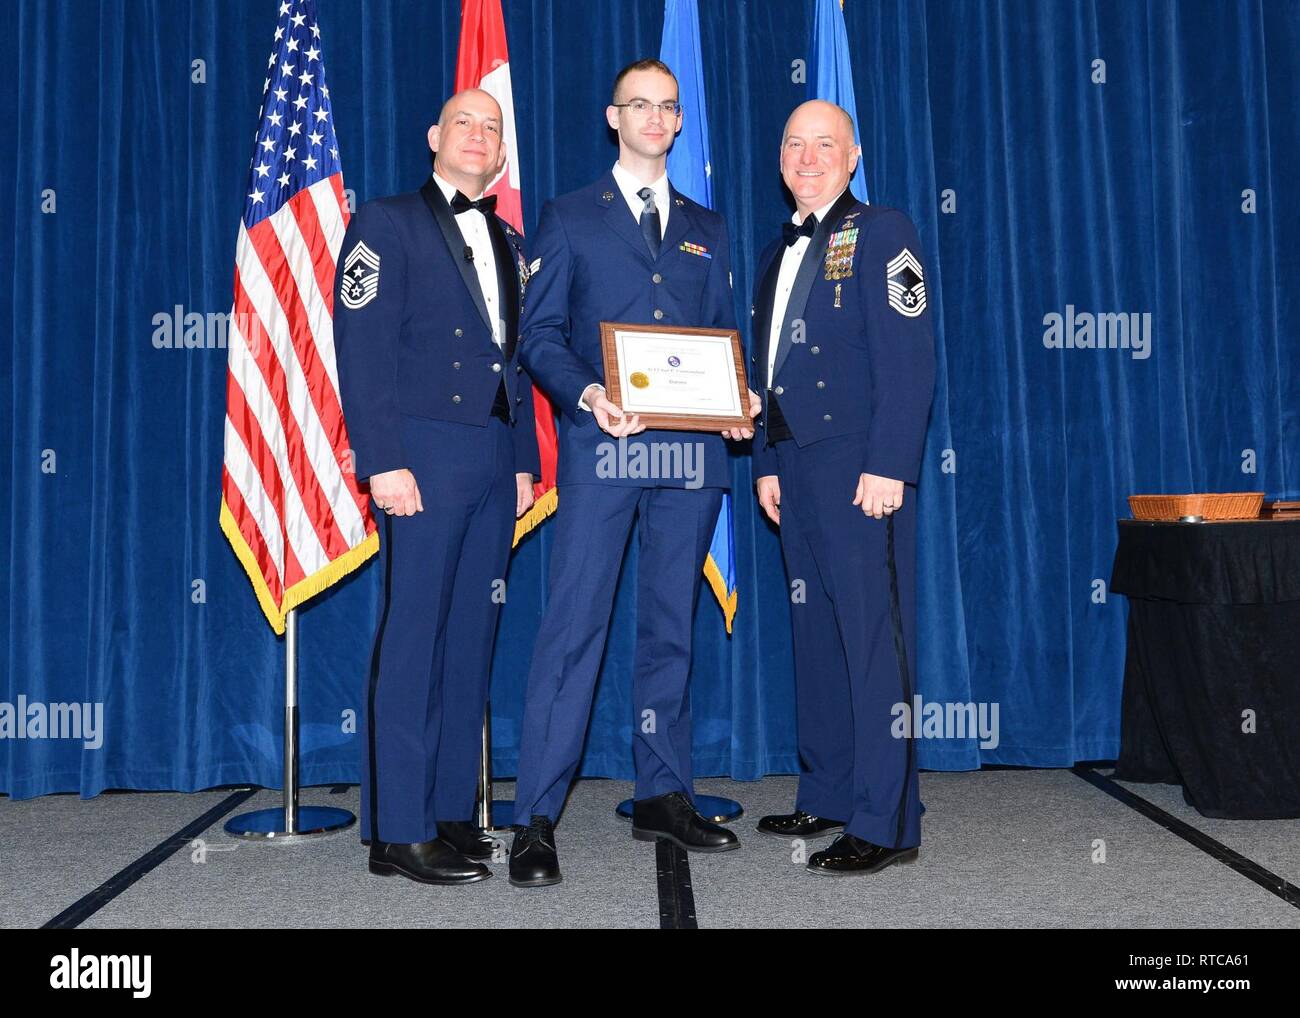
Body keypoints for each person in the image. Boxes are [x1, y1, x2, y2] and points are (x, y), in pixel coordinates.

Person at [507, 59, 760, 888]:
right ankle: (537, 817)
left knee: (669, 632)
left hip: (689, 456)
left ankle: (663, 792)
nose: (655, 116)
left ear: (681, 123)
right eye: (639, 105)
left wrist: (735, 402)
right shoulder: (570, 215)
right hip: (603, 447)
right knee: (572, 629)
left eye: (668, 106)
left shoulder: (707, 227)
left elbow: (723, 340)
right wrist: (587, 394)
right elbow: (539, 335)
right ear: (613, 118)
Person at [333, 89, 540, 885]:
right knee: (415, 634)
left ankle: (452, 812)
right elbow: (363, 347)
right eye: (465, 122)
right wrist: (381, 460)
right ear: (434, 136)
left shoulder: (511, 239)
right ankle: (398, 830)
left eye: (493, 127)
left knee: (470, 640)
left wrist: (521, 459)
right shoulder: (385, 223)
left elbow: (511, 362)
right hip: (418, 458)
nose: (480, 135)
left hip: (492, 461)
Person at [750, 100, 935, 876]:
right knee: (816, 636)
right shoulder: (776, 250)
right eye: (795, 144)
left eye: (824, 144)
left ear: (853, 156)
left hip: (861, 464)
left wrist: (890, 464)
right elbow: (768, 373)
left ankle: (886, 819)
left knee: (869, 639)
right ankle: (827, 788)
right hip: (794, 466)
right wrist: (763, 458)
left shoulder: (883, 230)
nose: (808, 156)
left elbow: (910, 358)